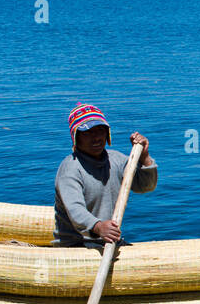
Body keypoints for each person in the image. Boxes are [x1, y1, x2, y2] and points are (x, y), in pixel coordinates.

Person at [53, 103, 158, 247]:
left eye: (100, 131)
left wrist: (144, 157)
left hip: (108, 242)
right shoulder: (70, 169)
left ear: (107, 134)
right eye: (88, 133)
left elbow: (146, 186)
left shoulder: (116, 160)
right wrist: (98, 227)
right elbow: (75, 209)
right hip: (76, 244)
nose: (96, 138)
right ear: (76, 137)